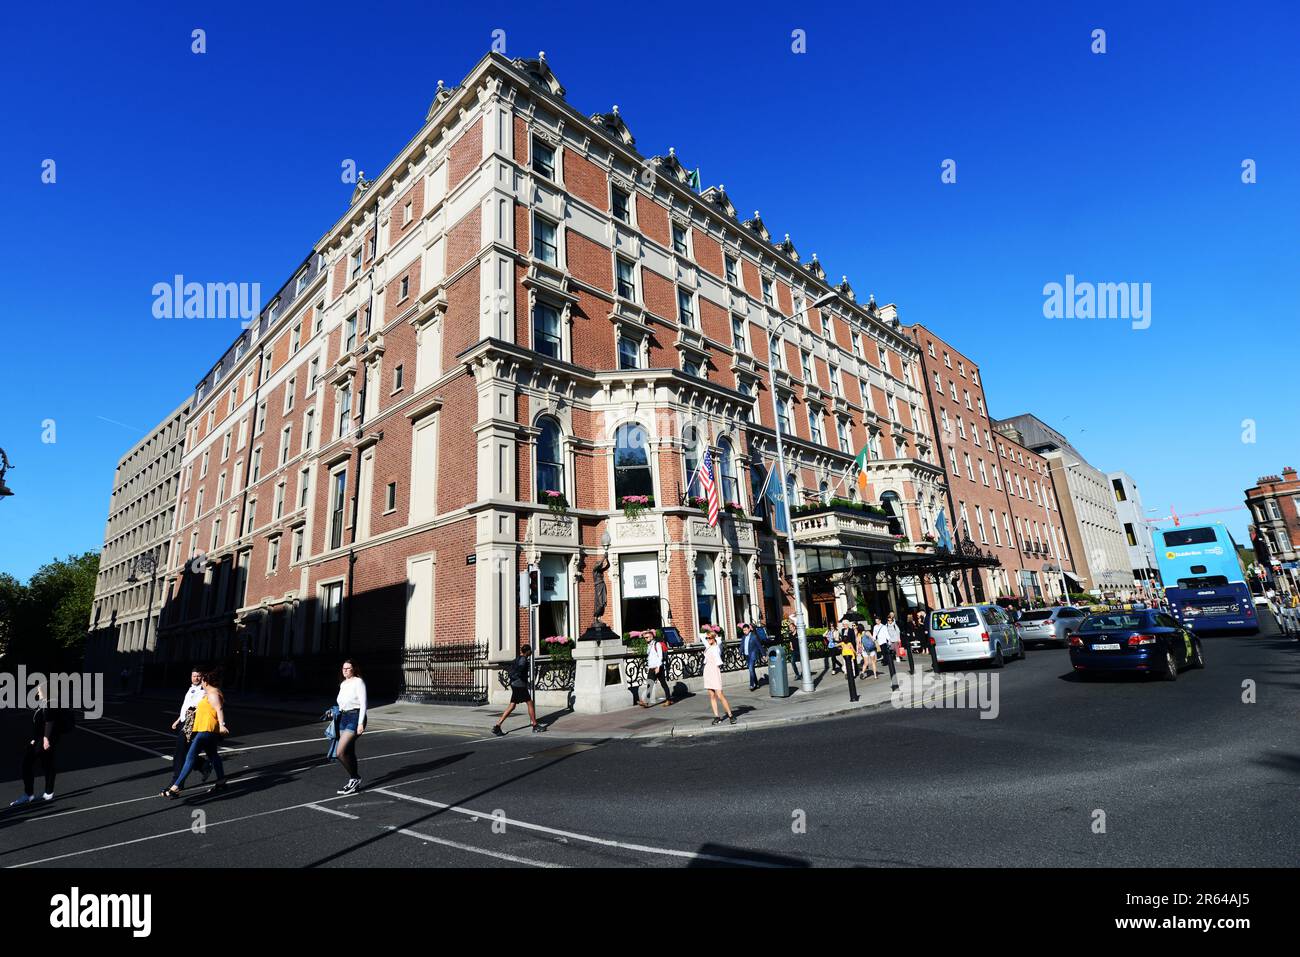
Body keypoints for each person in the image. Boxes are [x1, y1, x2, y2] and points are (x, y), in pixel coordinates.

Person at [162, 670, 228, 798]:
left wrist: (221, 725)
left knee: (190, 757)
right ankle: (221, 781)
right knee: (213, 755)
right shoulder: (208, 693)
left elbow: (219, 709)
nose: (200, 682)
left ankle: (175, 787)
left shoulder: (213, 693)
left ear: (205, 681)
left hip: (206, 729)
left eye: (202, 680)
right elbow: (196, 709)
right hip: (205, 729)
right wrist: (179, 720)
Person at [9, 680, 69, 806]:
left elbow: (49, 722)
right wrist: (35, 738)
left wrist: (46, 739)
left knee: (27, 763)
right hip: (41, 738)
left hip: (44, 740)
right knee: (47, 764)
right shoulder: (47, 703)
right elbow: (41, 723)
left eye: (39, 690)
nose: (37, 692)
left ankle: (29, 794)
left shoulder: (50, 704)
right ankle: (48, 793)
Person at [493, 644, 546, 735]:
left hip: (514, 684)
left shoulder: (517, 658)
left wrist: (514, 677)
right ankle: (535, 725)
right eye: (530, 651)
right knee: (530, 703)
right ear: (528, 651)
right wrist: (521, 679)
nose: (531, 652)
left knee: (512, 706)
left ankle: (497, 726)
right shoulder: (523, 660)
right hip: (519, 685)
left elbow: (510, 668)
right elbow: (520, 669)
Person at [169, 670, 210, 785]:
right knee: (186, 750)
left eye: (198, 676)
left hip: (191, 723)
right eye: (194, 676)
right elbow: (187, 706)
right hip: (184, 721)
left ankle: (177, 782)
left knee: (179, 752)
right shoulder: (191, 688)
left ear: (202, 677)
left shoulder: (204, 690)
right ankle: (203, 765)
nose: (196, 678)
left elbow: (197, 708)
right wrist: (178, 720)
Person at [333, 659, 367, 795]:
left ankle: (355, 778)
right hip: (344, 717)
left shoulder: (358, 682)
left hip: (355, 716)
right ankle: (353, 780)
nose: (345, 670)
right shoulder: (343, 684)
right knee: (349, 751)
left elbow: (364, 704)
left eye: (348, 668)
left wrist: (360, 723)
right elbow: (342, 702)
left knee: (340, 752)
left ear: (354, 669)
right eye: (343, 668)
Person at [702, 632, 735, 725]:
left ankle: (730, 715)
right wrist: (707, 632)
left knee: (720, 694)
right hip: (708, 670)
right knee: (711, 695)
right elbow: (701, 636)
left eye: (709, 638)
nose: (707, 639)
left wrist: (716, 637)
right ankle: (716, 717)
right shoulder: (708, 646)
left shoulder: (717, 647)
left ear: (713, 638)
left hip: (715, 670)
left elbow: (719, 642)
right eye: (707, 638)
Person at [641, 632, 674, 706]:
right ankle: (647, 701)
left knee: (663, 683)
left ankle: (668, 700)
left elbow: (660, 656)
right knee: (650, 684)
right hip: (651, 667)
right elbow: (650, 657)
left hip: (658, 667)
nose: (645, 639)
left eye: (647, 637)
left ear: (651, 637)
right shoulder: (649, 645)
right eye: (644, 638)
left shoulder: (657, 644)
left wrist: (658, 667)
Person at [740, 623, 764, 690]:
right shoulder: (743, 637)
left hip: (753, 655)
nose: (745, 631)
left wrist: (763, 654)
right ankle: (756, 683)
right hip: (746, 655)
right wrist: (740, 654)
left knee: (750, 669)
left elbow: (759, 646)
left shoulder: (754, 636)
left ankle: (752, 684)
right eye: (743, 630)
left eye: (746, 630)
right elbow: (742, 646)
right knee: (752, 670)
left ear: (749, 629)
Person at [839, 628, 859, 702]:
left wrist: (855, 653)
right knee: (844, 666)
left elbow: (853, 649)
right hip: (846, 657)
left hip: (850, 656)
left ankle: (852, 675)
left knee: (852, 666)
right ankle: (848, 674)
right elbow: (838, 645)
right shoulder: (843, 643)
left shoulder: (849, 643)